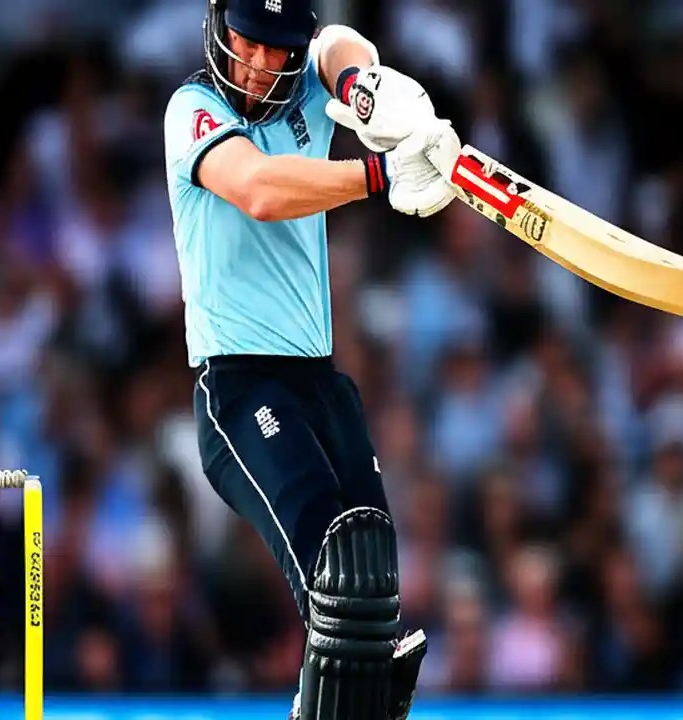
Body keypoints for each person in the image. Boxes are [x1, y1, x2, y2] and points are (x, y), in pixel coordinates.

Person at [162, 0, 460, 717]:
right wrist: (382, 174)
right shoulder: (192, 109)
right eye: (246, 42)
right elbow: (260, 189)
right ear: (218, 27)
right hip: (240, 389)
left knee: (374, 595)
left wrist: (366, 89)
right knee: (342, 576)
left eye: (277, 49)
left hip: (320, 383)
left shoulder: (306, 87)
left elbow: (338, 44)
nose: (259, 65)